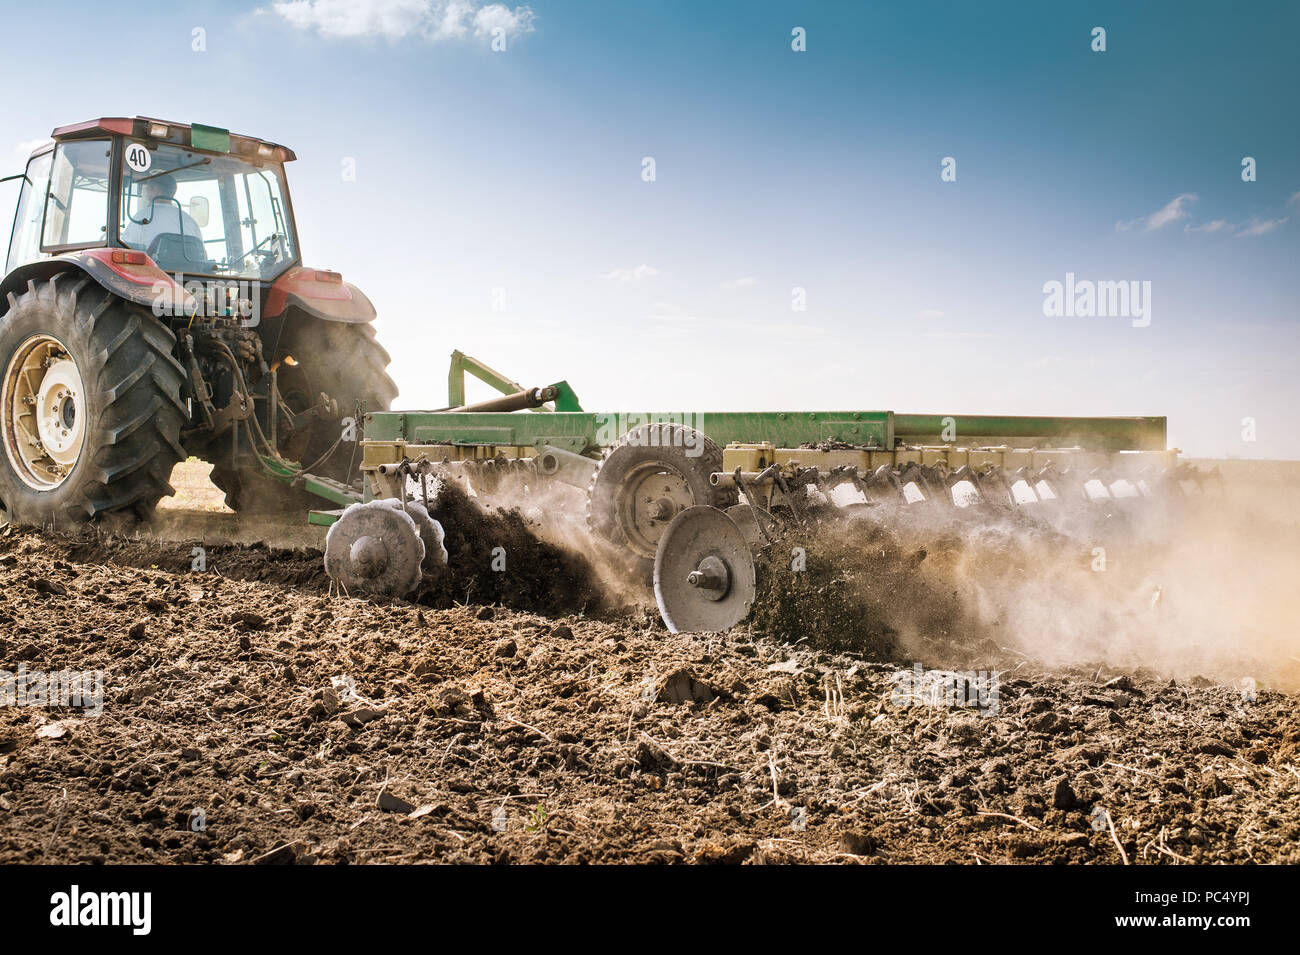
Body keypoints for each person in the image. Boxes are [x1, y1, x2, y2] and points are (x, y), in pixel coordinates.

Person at [121, 174, 202, 252]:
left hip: (152, 265)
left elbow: (128, 248)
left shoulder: (142, 217)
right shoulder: (190, 220)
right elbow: (202, 253)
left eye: (147, 188)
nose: (145, 191)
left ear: (156, 190)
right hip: (187, 266)